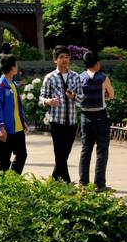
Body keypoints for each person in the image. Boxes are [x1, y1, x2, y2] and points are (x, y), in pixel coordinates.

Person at [40, 45, 83, 183]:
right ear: (55, 60)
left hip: (71, 121)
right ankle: (67, 183)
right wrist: (48, 101)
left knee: (64, 155)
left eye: (67, 57)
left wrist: (74, 96)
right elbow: (41, 99)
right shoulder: (50, 78)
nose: (65, 60)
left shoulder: (75, 76)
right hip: (56, 121)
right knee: (59, 154)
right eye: (61, 57)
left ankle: (53, 180)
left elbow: (82, 98)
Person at [77, 51, 114, 190]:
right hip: (101, 116)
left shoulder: (79, 78)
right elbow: (111, 94)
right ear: (97, 64)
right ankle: (99, 184)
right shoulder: (103, 78)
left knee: (86, 150)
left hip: (85, 117)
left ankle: (83, 183)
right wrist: (104, 97)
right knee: (102, 151)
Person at [0, 55, 28, 174]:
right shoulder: (0, 85)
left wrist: (23, 122)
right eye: (16, 65)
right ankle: (3, 187)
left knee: (22, 155)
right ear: (12, 68)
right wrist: (1, 127)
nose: (17, 67)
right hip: (5, 129)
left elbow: (17, 106)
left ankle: (13, 180)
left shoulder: (13, 84)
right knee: (4, 161)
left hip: (18, 128)